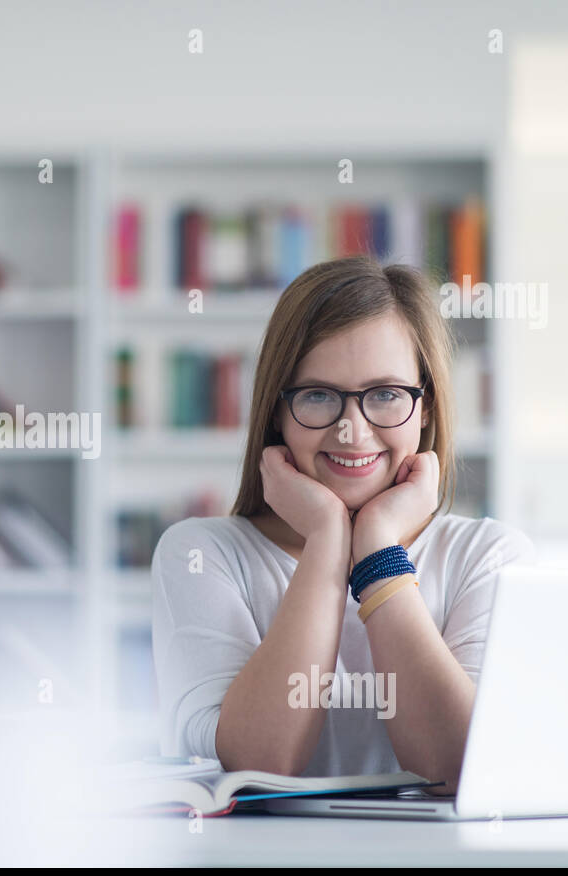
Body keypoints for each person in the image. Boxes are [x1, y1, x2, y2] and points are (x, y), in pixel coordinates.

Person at [151, 256, 535, 795]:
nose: (352, 431)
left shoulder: (488, 556)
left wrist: (377, 549)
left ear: (424, 407)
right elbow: (259, 764)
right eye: (317, 395)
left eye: (384, 394)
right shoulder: (200, 553)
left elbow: (458, 767)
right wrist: (328, 538)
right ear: (277, 411)